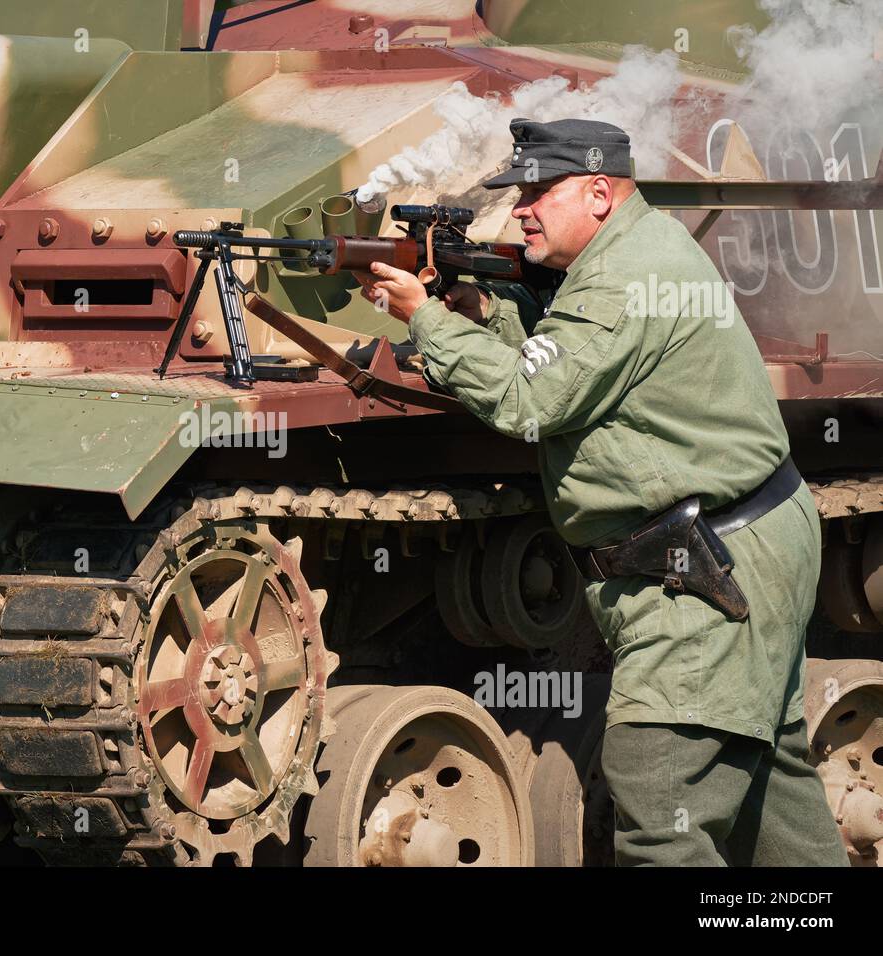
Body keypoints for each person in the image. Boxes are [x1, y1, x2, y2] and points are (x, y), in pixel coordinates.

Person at [359, 117, 848, 866]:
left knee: (660, 810)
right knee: (771, 814)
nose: (521, 208)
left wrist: (424, 319)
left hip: (705, 574)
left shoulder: (622, 277)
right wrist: (482, 314)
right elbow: (567, 350)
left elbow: (533, 397)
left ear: (597, 192)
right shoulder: (629, 256)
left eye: (537, 192)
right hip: (733, 551)